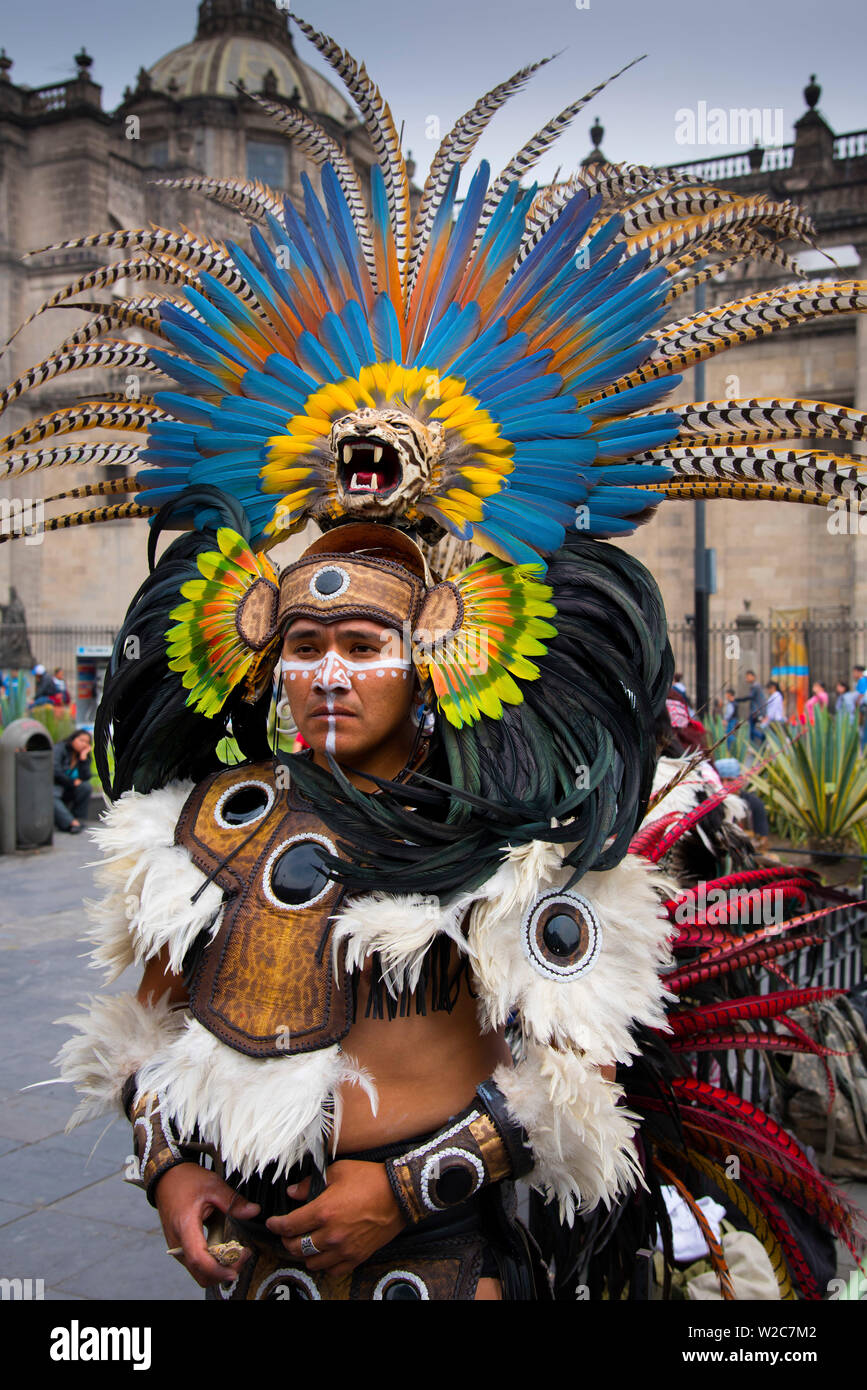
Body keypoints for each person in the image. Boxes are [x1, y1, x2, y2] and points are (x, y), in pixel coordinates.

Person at [12, 15, 866, 1304]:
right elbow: (145, 1029)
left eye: (363, 643)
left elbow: (577, 1080)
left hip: (455, 1269)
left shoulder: (521, 839)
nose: (327, 674)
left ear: (443, 648)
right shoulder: (197, 834)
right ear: (252, 646)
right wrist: (169, 1167)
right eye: (302, 645)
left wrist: (394, 1193)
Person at [53, 728, 92, 834]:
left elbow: (86, 777)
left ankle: (78, 819)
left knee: (85, 787)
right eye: (81, 740)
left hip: (68, 788)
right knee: (52, 795)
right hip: (56, 784)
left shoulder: (81, 755)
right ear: (73, 739)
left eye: (86, 742)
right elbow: (55, 770)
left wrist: (83, 758)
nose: (83, 744)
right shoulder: (60, 749)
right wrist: (71, 782)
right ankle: (71, 823)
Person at [736, 670, 767, 742]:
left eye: (748, 677)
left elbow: (750, 697)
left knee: (751, 730)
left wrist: (737, 699)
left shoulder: (756, 686)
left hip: (756, 712)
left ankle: (763, 737)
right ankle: (754, 745)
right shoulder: (755, 686)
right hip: (756, 711)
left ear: (753, 676)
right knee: (751, 731)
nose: (746, 679)